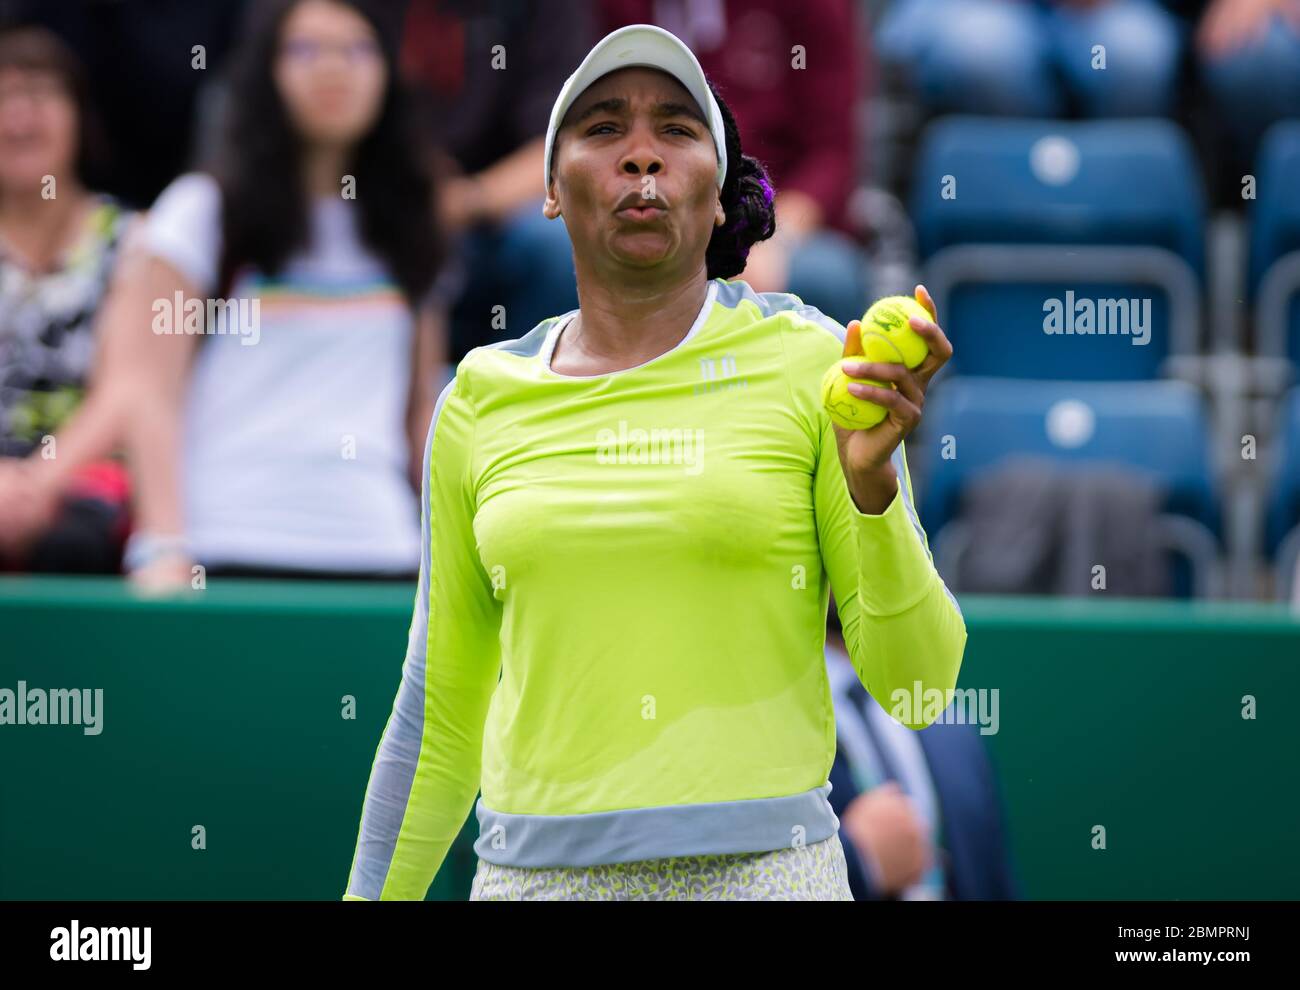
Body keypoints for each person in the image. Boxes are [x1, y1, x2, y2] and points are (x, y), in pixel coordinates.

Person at [344, 24, 967, 902]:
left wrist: (874, 491)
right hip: (531, 881)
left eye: (677, 129)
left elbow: (918, 687)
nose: (642, 155)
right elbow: (437, 715)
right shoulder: (476, 401)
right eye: (603, 128)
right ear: (550, 190)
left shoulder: (815, 361)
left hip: (769, 878)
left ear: (720, 195)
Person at [110, 0, 447, 587]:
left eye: (357, 49)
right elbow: (146, 391)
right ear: (265, 71)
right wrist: (161, 544)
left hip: (384, 557)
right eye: (305, 49)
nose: (333, 68)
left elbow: (422, 409)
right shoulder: (201, 214)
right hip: (225, 551)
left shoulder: (413, 225)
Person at [0, 25, 137, 573]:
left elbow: (128, 391)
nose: (20, 118)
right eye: (4, 99)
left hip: (87, 475)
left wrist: (35, 484)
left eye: (39, 95)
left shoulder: (135, 239)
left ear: (79, 116)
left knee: (74, 544)